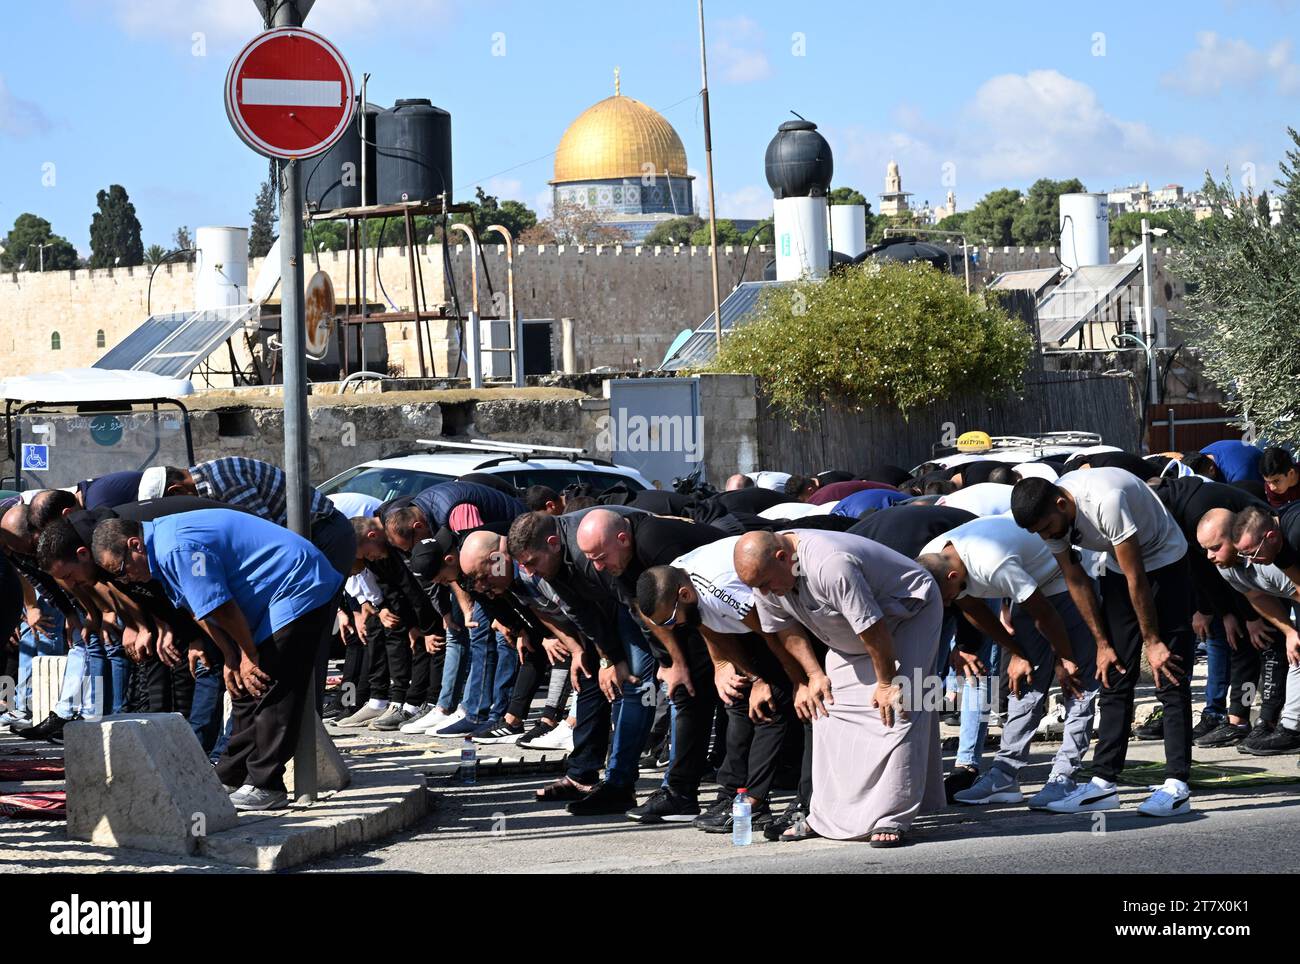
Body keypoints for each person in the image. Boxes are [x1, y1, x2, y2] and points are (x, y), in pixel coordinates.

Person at [91, 509, 341, 811]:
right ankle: (231, 775)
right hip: (268, 598)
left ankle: (266, 784)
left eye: (121, 570)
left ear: (134, 545)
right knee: (241, 687)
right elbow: (199, 609)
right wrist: (230, 657)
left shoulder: (178, 547)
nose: (125, 580)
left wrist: (249, 654)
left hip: (299, 583)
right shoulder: (163, 551)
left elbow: (222, 606)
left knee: (268, 681)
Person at [734, 529, 945, 847]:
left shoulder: (830, 564)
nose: (764, 592)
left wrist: (886, 682)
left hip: (905, 616)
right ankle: (826, 816)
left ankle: (890, 817)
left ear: (782, 558)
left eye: (765, 584)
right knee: (826, 709)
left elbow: (872, 627)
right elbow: (785, 628)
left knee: (900, 707)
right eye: (757, 587)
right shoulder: (768, 578)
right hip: (850, 632)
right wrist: (812, 675)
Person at [1010, 470, 1194, 817]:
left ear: (1062, 504)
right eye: (1041, 533)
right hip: (1116, 567)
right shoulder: (1051, 516)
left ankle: (1177, 785)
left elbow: (1138, 576)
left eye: (1048, 528)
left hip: (1164, 561)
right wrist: (1102, 643)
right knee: (1113, 673)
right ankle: (1103, 783)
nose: (1048, 536)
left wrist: (1152, 641)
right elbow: (1075, 579)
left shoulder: (1106, 501)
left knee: (1169, 671)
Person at [916, 515, 1097, 810]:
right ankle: (1005, 776)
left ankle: (1064, 778)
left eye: (945, 598)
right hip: (1028, 584)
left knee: (1077, 683)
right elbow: (974, 609)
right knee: (1023, 682)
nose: (947, 604)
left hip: (1063, 578)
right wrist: (1018, 653)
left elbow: (1045, 615)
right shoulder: (934, 557)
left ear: (951, 578)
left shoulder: (992, 562)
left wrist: (1063, 658)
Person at [574, 509, 729, 822]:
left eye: (601, 556)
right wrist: (668, 662)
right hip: (689, 616)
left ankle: (690, 793)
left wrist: (703, 663)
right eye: (591, 559)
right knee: (686, 688)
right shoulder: (617, 559)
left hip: (719, 609)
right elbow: (645, 612)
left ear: (622, 538)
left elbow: (696, 608)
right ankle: (683, 791)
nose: (598, 567)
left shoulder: (656, 544)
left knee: (694, 691)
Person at [636, 537, 796, 836]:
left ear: (683, 595)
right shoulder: (678, 579)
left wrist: (766, 680)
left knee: (771, 706)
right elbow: (704, 623)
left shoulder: (718, 588)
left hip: (777, 625)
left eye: (670, 620)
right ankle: (731, 795)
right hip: (749, 627)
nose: (672, 628)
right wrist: (723, 666)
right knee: (735, 700)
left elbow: (771, 632)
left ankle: (756, 804)